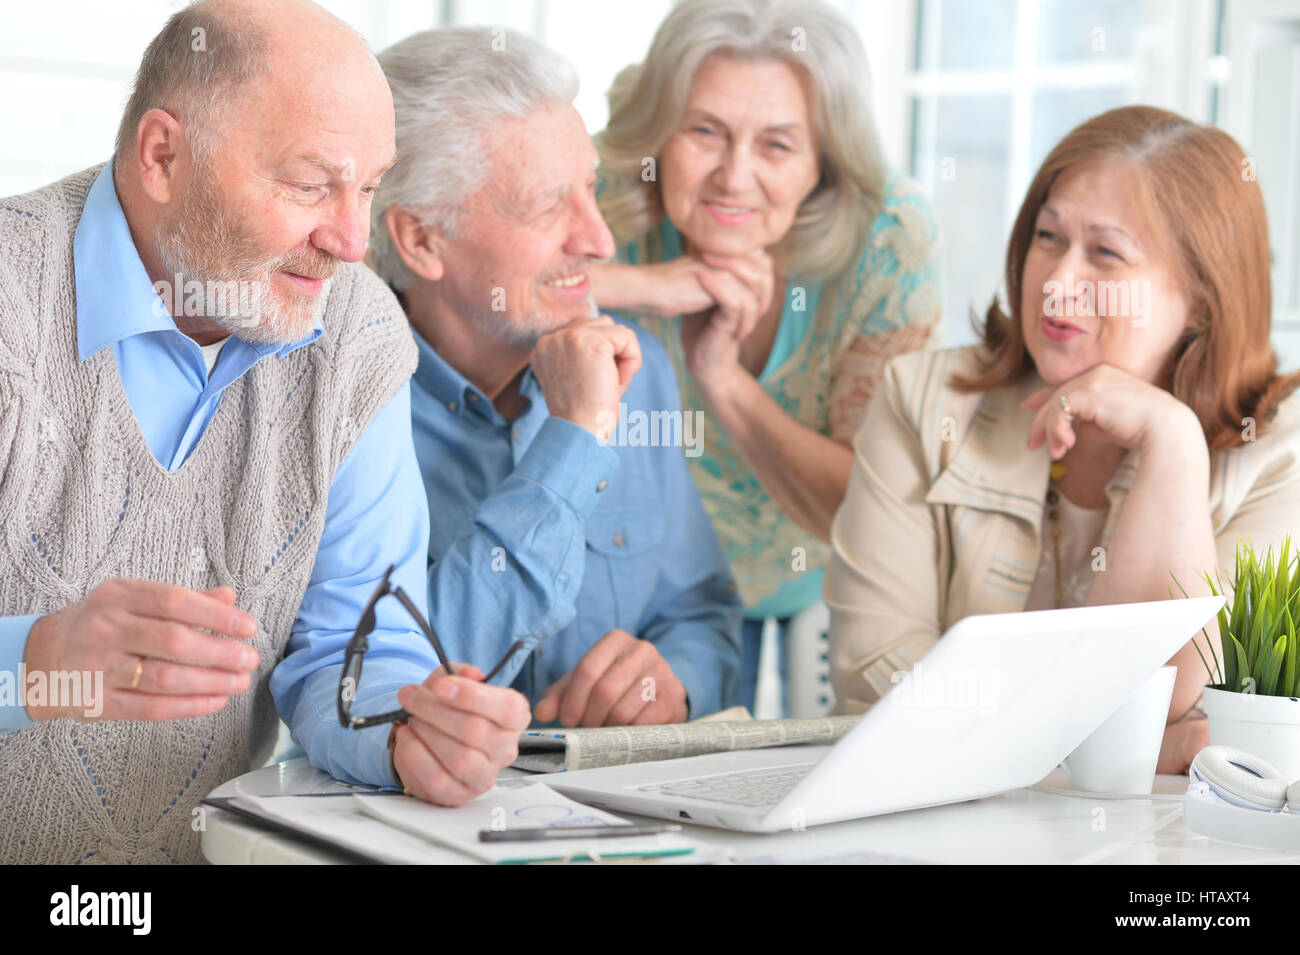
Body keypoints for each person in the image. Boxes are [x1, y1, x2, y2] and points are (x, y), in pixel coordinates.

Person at [0, 0, 529, 865]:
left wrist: (410, 729)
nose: (352, 241)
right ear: (163, 155)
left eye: (369, 187)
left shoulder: (352, 333)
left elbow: (353, 647)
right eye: (311, 184)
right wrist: (36, 659)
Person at [827, 105, 1300, 774]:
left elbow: (1212, 712)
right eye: (1048, 237)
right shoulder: (920, 399)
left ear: (1200, 298)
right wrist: (1090, 750)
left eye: (1105, 253)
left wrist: (1174, 441)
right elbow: (877, 676)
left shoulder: (1279, 454)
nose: (1056, 282)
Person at [369, 27, 742, 726]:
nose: (598, 240)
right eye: (548, 206)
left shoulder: (641, 372)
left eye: (592, 190)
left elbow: (702, 612)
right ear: (421, 239)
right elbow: (393, 685)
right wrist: (574, 438)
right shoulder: (345, 412)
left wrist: (677, 682)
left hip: (617, 825)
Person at [589, 0, 942, 714]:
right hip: (645, 580)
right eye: (704, 131)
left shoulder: (886, 238)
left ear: (824, 163)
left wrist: (722, 378)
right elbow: (479, 285)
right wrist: (643, 284)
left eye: (778, 145)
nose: (733, 176)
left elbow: (866, 503)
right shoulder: (605, 193)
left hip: (821, 563)